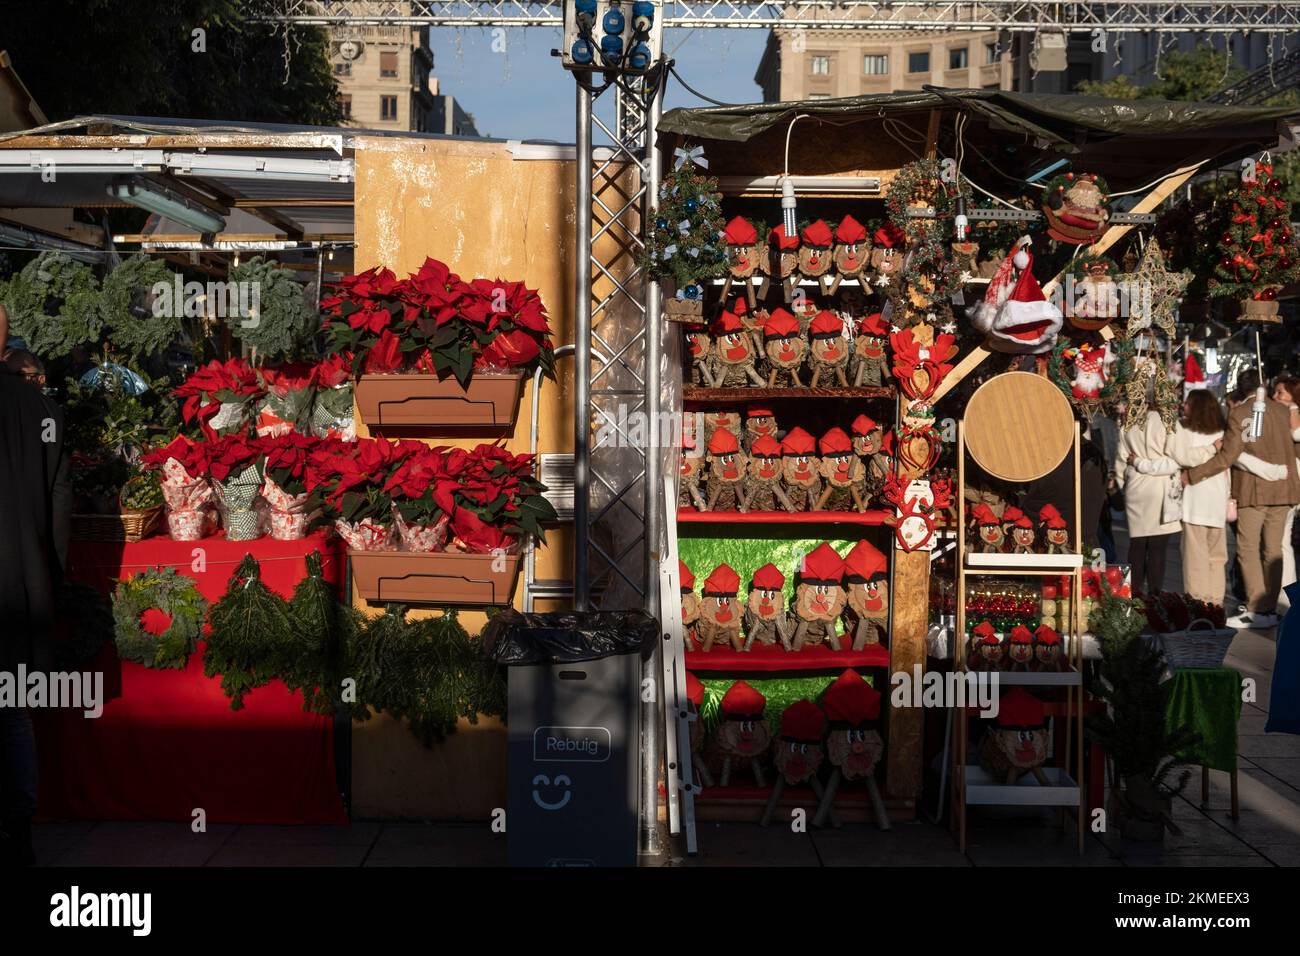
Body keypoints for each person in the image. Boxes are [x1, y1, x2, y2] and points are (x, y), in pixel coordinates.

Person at [0, 320, 72, 867]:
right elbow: (59, 510)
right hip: (23, 584)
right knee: (15, 715)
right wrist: (54, 578)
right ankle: (19, 833)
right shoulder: (42, 411)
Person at [1132, 390, 1286, 605]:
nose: (1183, 406)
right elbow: (1233, 461)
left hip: (1194, 499)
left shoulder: (1182, 430)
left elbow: (1180, 459)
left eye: (1187, 402)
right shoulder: (1222, 431)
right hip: (1218, 498)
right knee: (1217, 556)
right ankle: (1215, 602)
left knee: (1194, 556)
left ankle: (1198, 602)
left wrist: (1140, 463)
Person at [1183, 369, 1300, 629]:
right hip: (1283, 490)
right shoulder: (1283, 411)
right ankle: (1270, 606)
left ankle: (1257, 607)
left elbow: (1228, 455)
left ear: (1239, 388)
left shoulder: (1239, 414)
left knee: (1248, 549)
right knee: (1273, 550)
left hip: (1253, 491)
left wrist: (1193, 474)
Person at [1116, 405, 1181, 595]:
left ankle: (1133, 594)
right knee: (1158, 549)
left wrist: (1122, 484)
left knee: (1136, 545)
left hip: (1135, 486)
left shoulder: (1128, 423)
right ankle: (1155, 597)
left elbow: (1121, 459)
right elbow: (1175, 460)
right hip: (1161, 489)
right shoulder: (1168, 423)